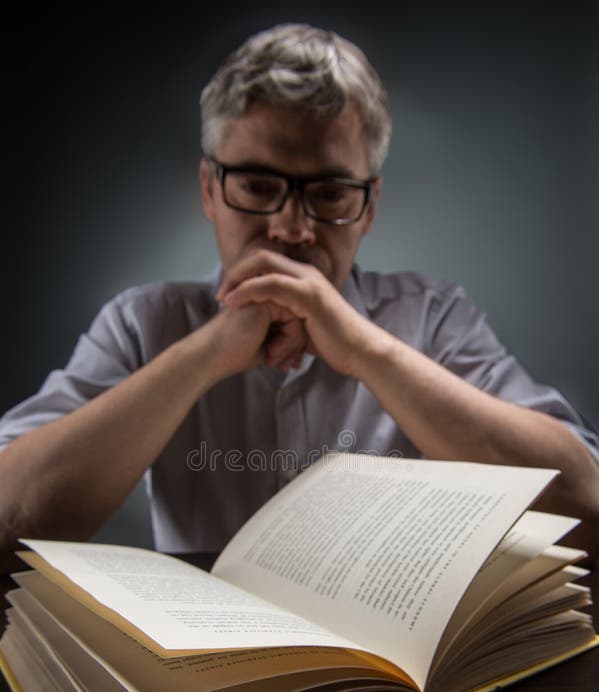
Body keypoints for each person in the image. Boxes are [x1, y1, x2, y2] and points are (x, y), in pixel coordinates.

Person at [1, 22, 598, 570]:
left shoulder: (433, 319)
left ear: (370, 207)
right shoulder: (143, 324)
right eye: (259, 186)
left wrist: (366, 350)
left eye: (332, 193)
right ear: (209, 190)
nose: (291, 229)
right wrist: (208, 353)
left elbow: (587, 511)